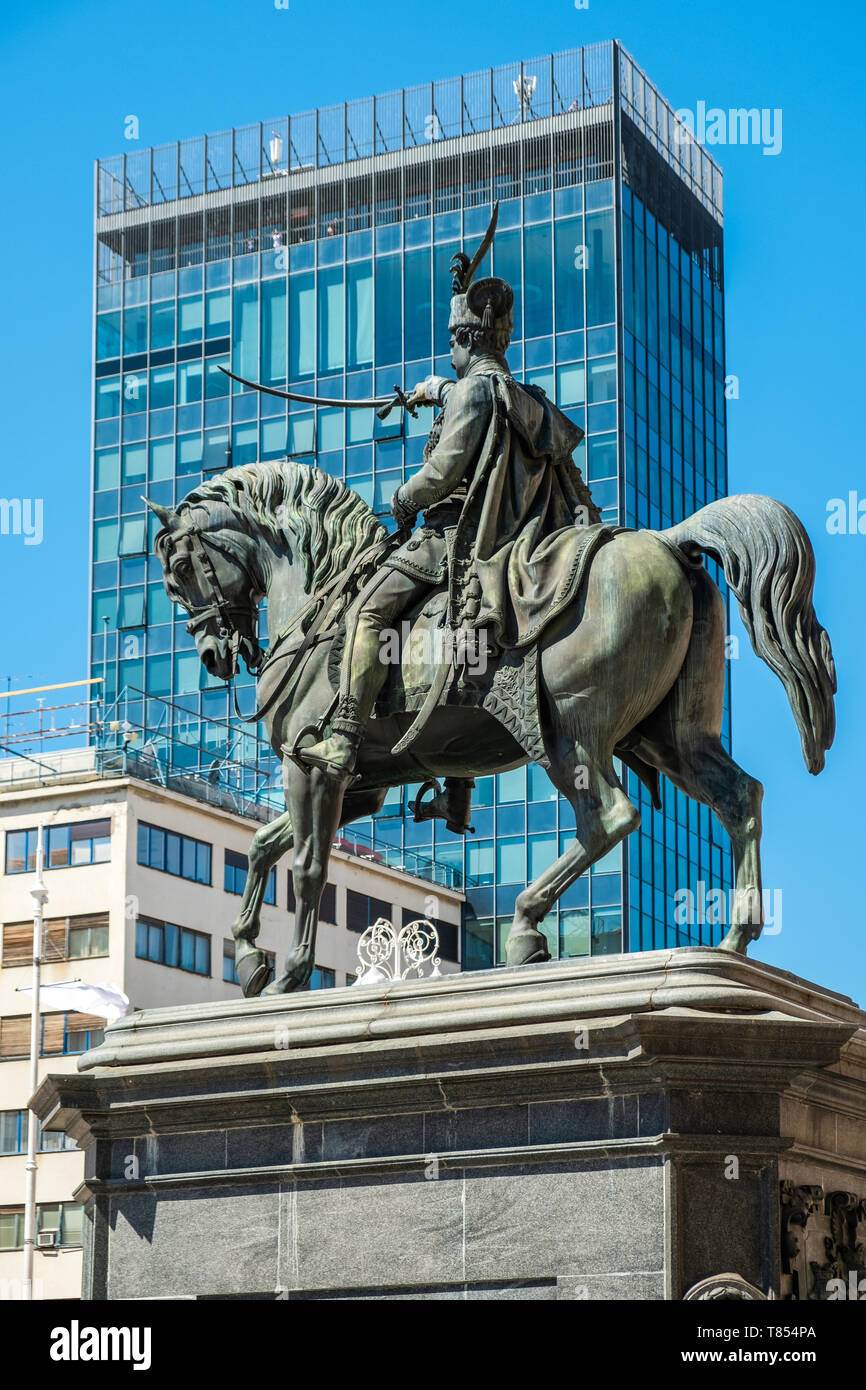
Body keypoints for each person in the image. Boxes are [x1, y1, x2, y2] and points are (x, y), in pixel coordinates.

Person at [299, 247, 597, 835]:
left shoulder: (472, 393)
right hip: (507, 538)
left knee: (366, 613)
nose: (450, 356)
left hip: (450, 538)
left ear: (464, 341)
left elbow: (443, 473)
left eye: (452, 345)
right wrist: (434, 392)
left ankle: (343, 737)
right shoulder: (518, 394)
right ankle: (457, 795)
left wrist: (402, 498)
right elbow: (471, 400)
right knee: (458, 655)